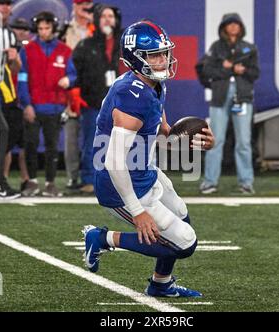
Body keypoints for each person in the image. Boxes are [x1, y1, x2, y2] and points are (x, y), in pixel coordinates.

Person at [82, 21, 215, 297]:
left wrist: (196, 140)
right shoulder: (131, 96)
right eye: (154, 54)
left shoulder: (154, 83)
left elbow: (162, 132)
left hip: (145, 172)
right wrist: (137, 210)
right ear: (135, 58)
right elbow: (114, 161)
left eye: (164, 52)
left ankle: (160, 284)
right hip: (119, 184)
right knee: (185, 242)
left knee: (182, 219)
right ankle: (102, 238)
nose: (163, 59)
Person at [199, 13, 260, 195]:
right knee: (215, 140)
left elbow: (255, 73)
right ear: (224, 27)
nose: (233, 27)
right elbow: (207, 70)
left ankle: (246, 182)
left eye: (236, 24)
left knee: (243, 141)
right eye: (230, 24)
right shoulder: (216, 48)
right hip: (219, 97)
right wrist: (230, 69)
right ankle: (210, 181)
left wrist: (242, 70)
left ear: (241, 27)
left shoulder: (249, 48)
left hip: (242, 98)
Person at [18, 11, 74, 197]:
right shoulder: (27, 50)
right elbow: (22, 79)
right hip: (34, 106)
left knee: (52, 147)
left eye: (47, 28)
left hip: (56, 107)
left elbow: (73, 74)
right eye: (40, 28)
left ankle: (50, 184)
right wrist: (26, 104)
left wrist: (69, 79)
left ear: (53, 28)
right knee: (31, 145)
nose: (43, 32)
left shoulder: (65, 51)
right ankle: (32, 182)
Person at [72, 4, 123, 194]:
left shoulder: (124, 44)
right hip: (93, 101)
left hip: (122, 103)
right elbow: (74, 72)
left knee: (120, 143)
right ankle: (89, 179)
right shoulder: (86, 45)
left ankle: (115, 182)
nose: (108, 19)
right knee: (92, 142)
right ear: (96, 20)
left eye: (111, 16)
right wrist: (75, 92)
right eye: (104, 16)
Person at [59, 0, 94, 190]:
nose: (85, 5)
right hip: (69, 89)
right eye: (81, 2)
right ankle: (73, 177)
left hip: (92, 89)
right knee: (71, 136)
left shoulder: (97, 29)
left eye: (88, 2)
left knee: (92, 137)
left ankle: (91, 177)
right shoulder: (64, 30)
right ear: (74, 5)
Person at [0, 0, 21, 199]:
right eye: (0, 3)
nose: (5, 8)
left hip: (0, 90)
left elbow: (15, 68)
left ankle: (0, 183)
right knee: (1, 130)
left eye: (7, 3)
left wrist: (14, 58)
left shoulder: (10, 34)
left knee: (2, 131)